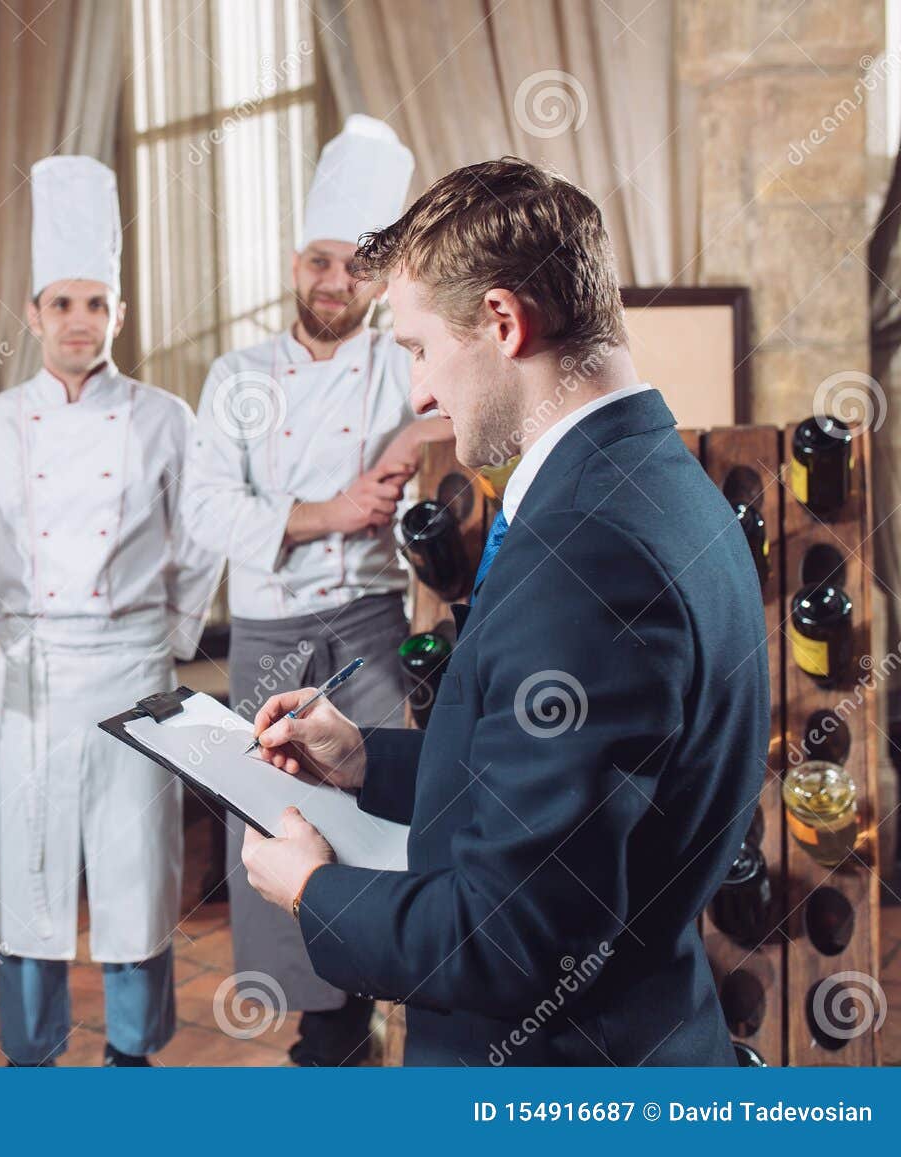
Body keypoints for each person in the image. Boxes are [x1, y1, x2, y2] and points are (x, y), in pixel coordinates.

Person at [240, 158, 771, 1065]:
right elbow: (563, 784)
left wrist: (312, 892)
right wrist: (366, 757)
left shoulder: (591, 559)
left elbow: (508, 938)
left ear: (502, 321)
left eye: (415, 348)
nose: (418, 395)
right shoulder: (655, 479)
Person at [183, 114, 451, 1066]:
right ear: (294, 262)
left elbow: (463, 411)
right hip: (270, 632)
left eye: (354, 267)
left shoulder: (401, 365)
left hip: (374, 628)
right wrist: (334, 510)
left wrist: (405, 443)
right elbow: (209, 509)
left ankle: (366, 1005)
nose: (334, 283)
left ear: (379, 278)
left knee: (374, 815)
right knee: (278, 816)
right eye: (317, 262)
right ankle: (317, 1022)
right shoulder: (237, 375)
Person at [0, 155, 221, 1066]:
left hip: (136, 658)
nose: (80, 322)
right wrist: (21, 636)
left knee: (134, 865)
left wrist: (169, 634)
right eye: (62, 304)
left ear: (119, 314)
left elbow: (201, 533)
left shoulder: (164, 416)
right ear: (32, 314)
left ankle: (132, 1055)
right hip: (39, 666)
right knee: (30, 866)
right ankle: (33, 1055)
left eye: (96, 304)